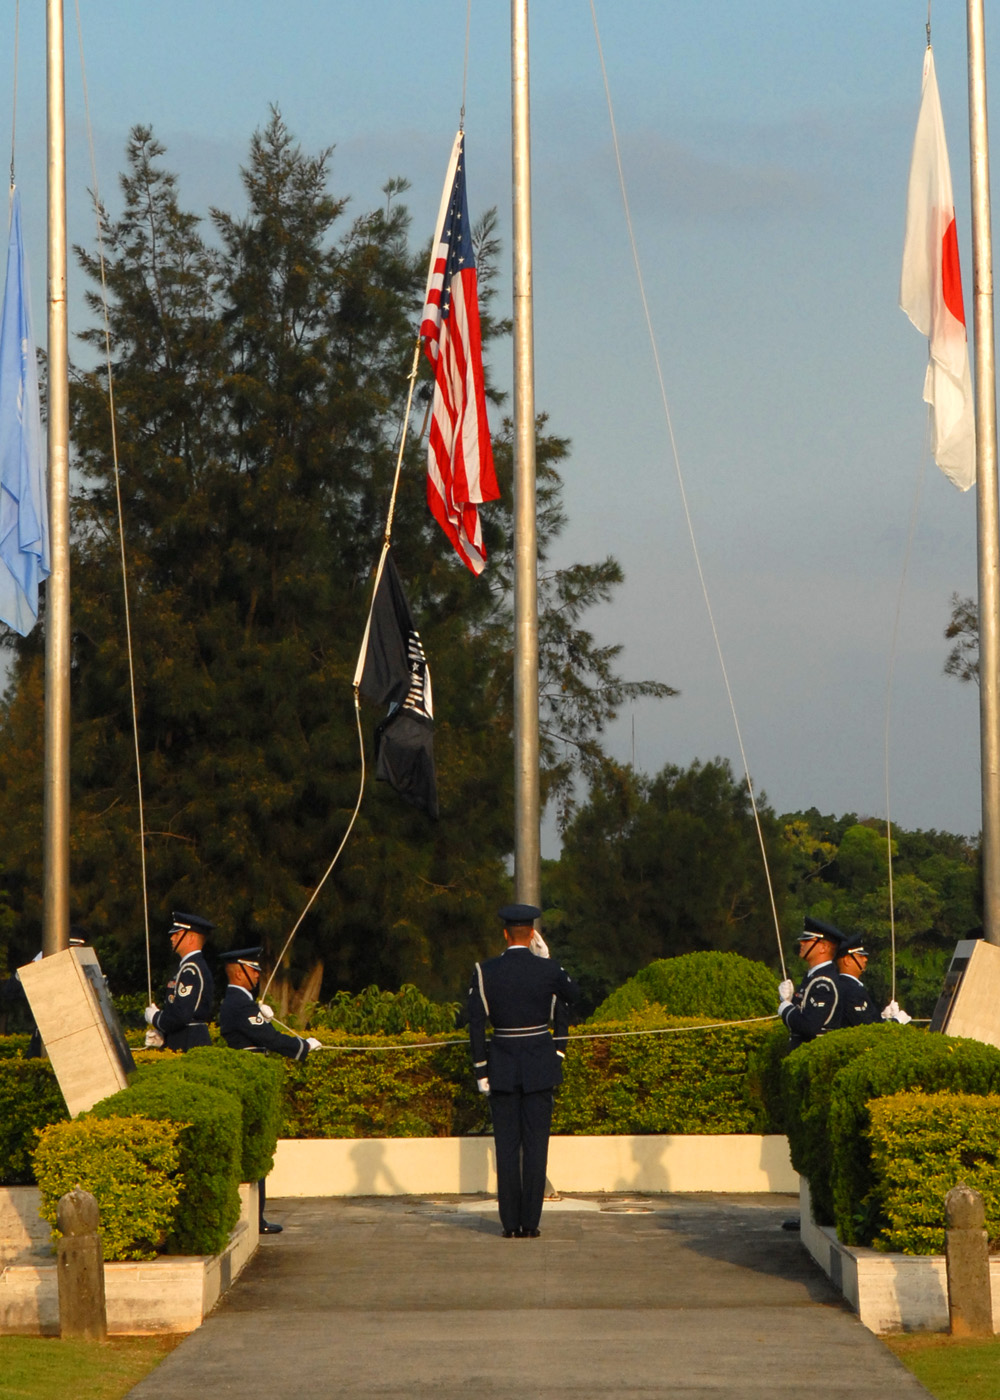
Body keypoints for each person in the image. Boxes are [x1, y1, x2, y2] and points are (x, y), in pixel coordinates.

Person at [466, 904, 580, 1239]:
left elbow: (475, 1024)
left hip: (501, 1064)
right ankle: (530, 1223)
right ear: (532, 934)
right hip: (539, 1066)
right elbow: (573, 996)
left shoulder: (486, 970)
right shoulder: (547, 969)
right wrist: (548, 963)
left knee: (506, 1146)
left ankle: (509, 1224)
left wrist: (480, 1069)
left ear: (505, 933)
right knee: (535, 1146)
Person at [218, 945, 322, 1234]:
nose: (257, 976)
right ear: (239, 972)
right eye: (253, 971)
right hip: (250, 1078)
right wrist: (303, 1047)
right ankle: (257, 1218)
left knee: (258, 1147)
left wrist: (259, 1014)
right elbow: (270, 1038)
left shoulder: (240, 1002)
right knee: (256, 1147)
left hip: (251, 1074)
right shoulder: (240, 1004)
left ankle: (259, 1215)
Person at [144, 912, 215, 1051]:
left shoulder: (191, 969)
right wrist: (164, 1039)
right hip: (185, 1040)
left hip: (191, 1043)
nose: (172, 938)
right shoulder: (187, 967)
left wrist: (156, 1018)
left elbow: (182, 1016)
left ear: (191, 938)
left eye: (177, 934)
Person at [777, 916, 845, 1049]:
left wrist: (786, 1009)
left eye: (808, 940)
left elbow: (809, 1026)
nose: (802, 943)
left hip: (815, 1057)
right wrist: (789, 1000)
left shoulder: (823, 983)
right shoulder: (813, 976)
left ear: (823, 947)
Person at [835, 937, 882, 1027]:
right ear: (847, 960)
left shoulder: (841, 984)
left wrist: (885, 1017)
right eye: (860, 956)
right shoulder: (852, 990)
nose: (865, 959)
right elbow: (867, 1025)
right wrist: (896, 1020)